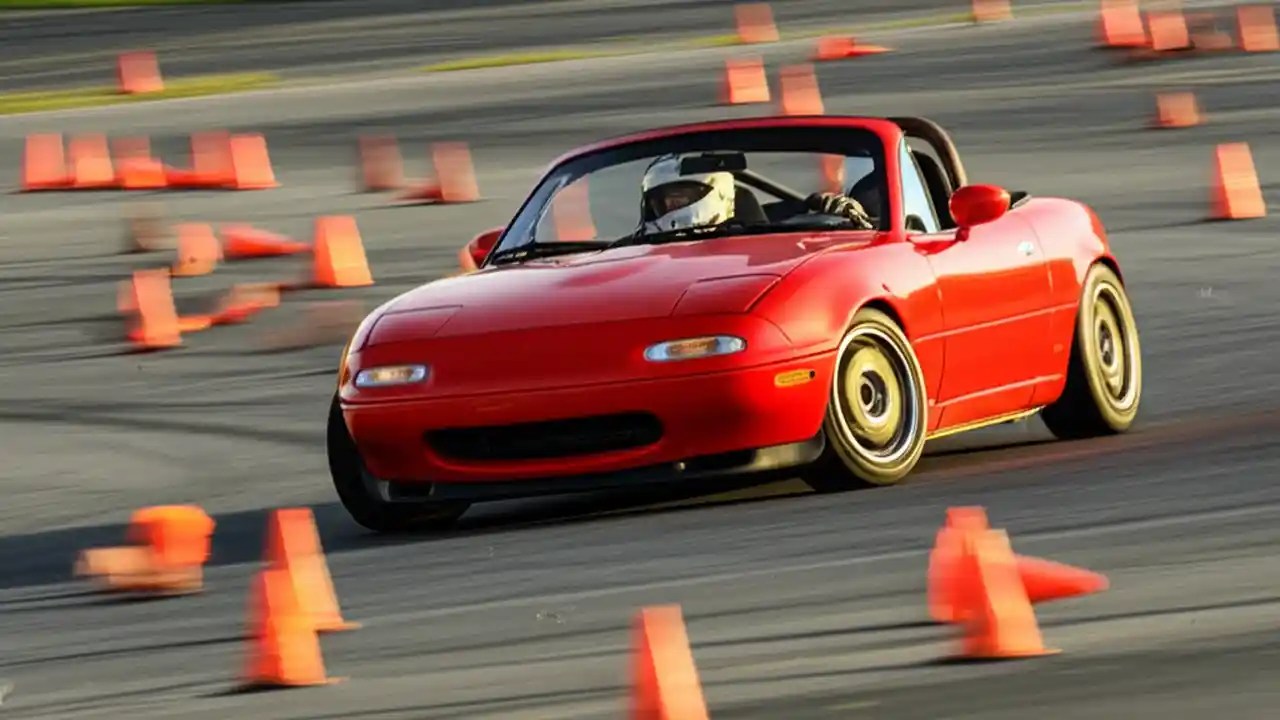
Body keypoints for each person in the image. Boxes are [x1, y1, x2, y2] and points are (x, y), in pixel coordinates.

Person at [639, 153, 876, 235]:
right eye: (663, 202)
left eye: (679, 199)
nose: (671, 207)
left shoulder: (782, 240)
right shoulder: (632, 250)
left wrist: (837, 215)